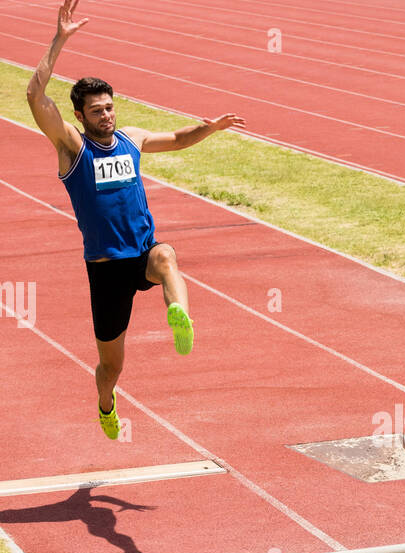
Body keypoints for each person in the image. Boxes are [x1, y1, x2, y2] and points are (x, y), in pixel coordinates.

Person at [25, 0, 245, 438]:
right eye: (97, 110)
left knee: (167, 255)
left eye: (109, 107)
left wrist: (211, 128)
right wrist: (59, 40)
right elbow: (34, 96)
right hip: (106, 271)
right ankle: (106, 404)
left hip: (142, 253)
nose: (106, 115)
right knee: (111, 366)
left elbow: (179, 138)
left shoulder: (132, 139)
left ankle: (179, 314)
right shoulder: (73, 147)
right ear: (80, 116)